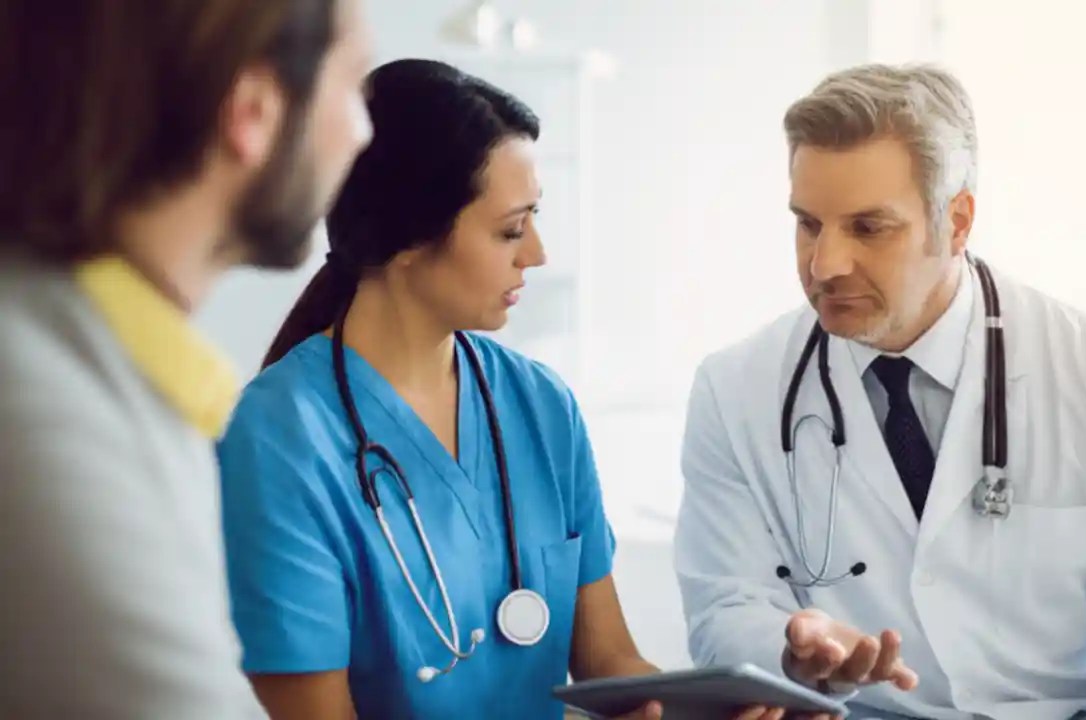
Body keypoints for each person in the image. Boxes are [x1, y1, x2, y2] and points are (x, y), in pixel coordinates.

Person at [215, 59, 799, 720]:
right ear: (408, 235)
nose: (537, 253)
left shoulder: (542, 407)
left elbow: (611, 662)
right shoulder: (280, 440)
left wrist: (709, 711)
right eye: (511, 230)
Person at [673, 63, 1086, 719]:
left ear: (958, 221)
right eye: (808, 223)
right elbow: (724, 610)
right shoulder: (734, 391)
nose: (824, 264)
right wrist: (791, 652)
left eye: (868, 227)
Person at [0, 0, 372, 717]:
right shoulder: (41, 414)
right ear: (253, 110)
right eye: (353, 84)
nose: (364, 131)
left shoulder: (105, 366)